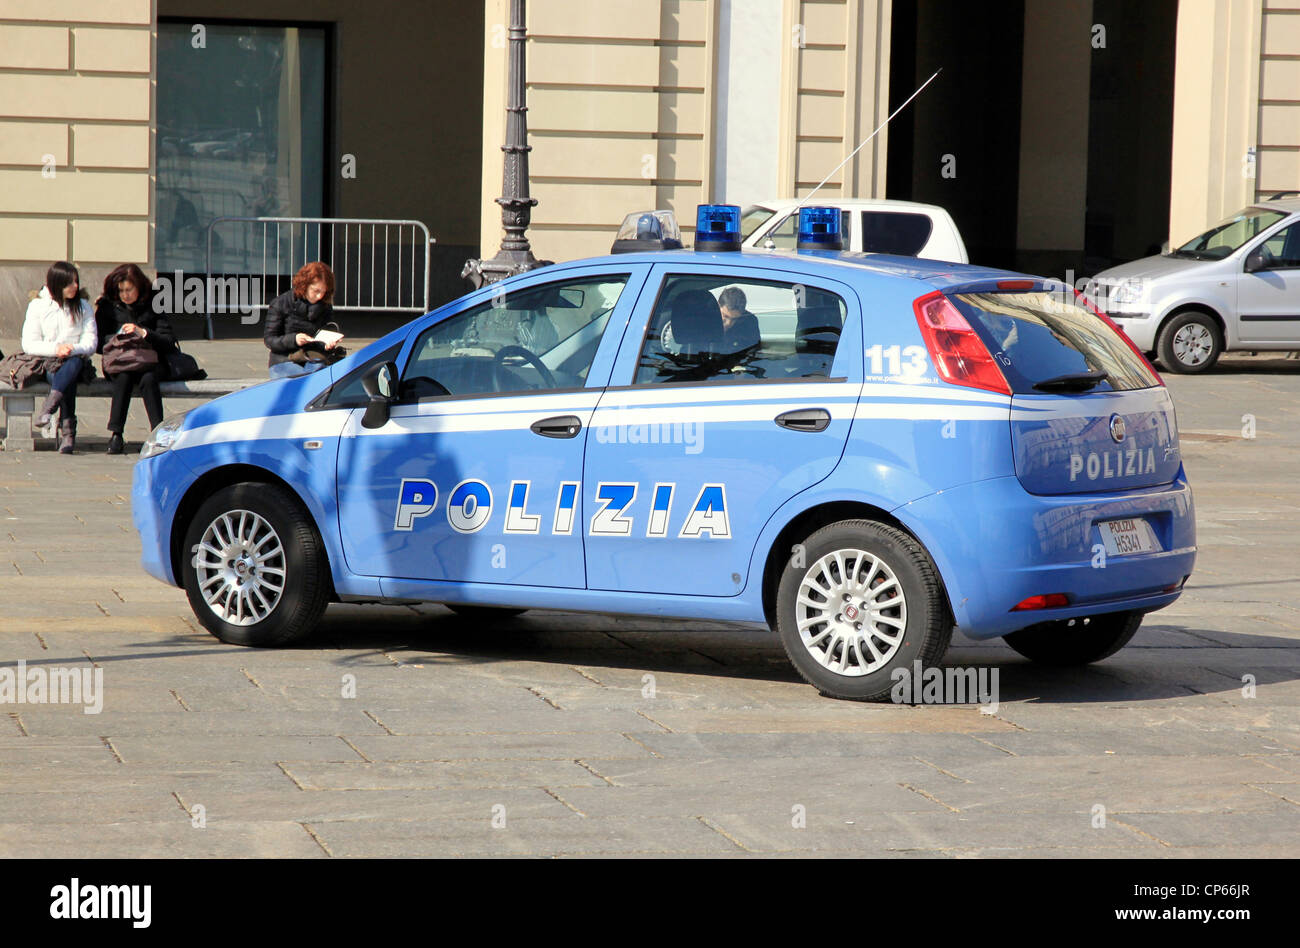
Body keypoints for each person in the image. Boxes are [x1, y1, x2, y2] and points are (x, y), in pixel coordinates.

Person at [95, 264, 177, 455]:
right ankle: (116, 434)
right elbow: (98, 343)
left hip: (150, 363)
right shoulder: (108, 308)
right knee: (124, 377)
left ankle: (158, 432)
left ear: (139, 287)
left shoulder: (153, 305)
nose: (125, 295)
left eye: (129, 290)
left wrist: (144, 333)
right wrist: (118, 336)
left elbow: (168, 341)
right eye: (121, 291)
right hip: (120, 362)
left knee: (148, 378)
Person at [21, 261, 96, 453]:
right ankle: (68, 434)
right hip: (49, 362)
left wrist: (71, 349)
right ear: (57, 284)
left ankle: (48, 408)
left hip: (77, 361)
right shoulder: (38, 306)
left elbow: (91, 343)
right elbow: (29, 344)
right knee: (64, 378)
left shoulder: (83, 306)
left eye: (76, 282)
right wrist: (56, 349)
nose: (75, 287)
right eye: (69, 283)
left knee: (73, 365)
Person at [264, 261, 340, 378]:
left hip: (314, 358)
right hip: (284, 359)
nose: (319, 296)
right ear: (305, 285)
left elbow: (326, 330)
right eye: (316, 291)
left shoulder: (325, 306)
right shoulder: (281, 303)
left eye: (323, 292)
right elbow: (270, 340)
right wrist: (294, 339)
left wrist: (327, 344)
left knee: (324, 376)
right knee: (306, 379)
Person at [717, 286, 761, 354]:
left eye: (734, 319)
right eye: (725, 316)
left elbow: (753, 350)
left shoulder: (749, 322)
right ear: (718, 305)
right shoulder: (702, 318)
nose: (729, 323)